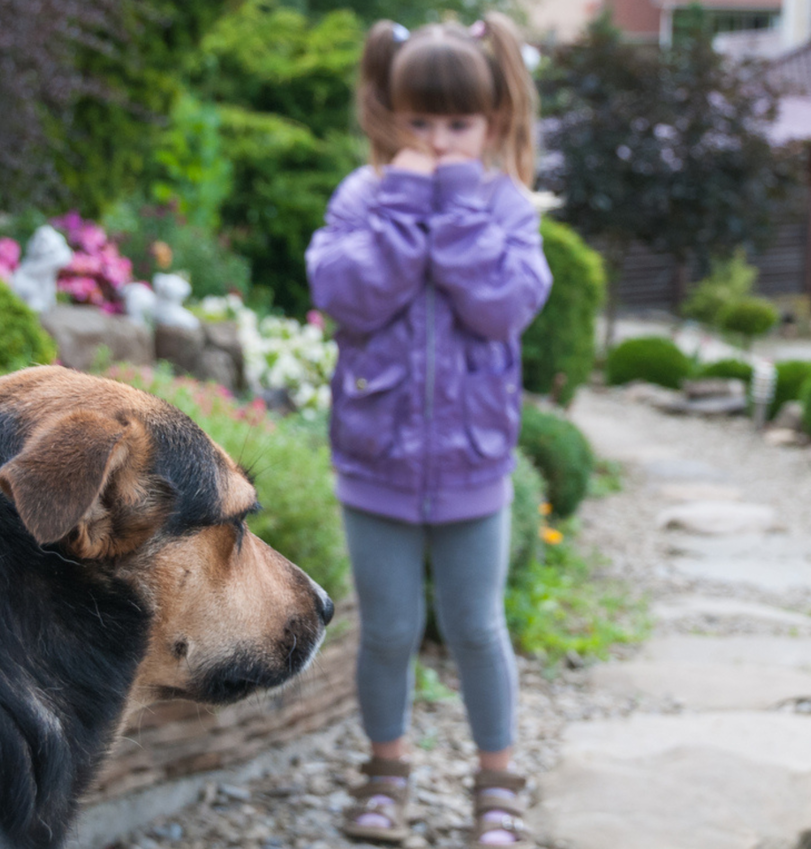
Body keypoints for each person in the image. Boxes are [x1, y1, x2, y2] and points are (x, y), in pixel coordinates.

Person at [305, 13, 552, 849]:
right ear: (389, 112)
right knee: (388, 629)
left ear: (494, 119)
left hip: (474, 467)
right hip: (375, 462)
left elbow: (504, 306)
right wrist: (408, 202)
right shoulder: (365, 197)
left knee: (480, 628)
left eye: (458, 124)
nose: (439, 139)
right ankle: (387, 770)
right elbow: (349, 293)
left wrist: (451, 210)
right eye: (420, 121)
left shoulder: (507, 206)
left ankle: (497, 779)